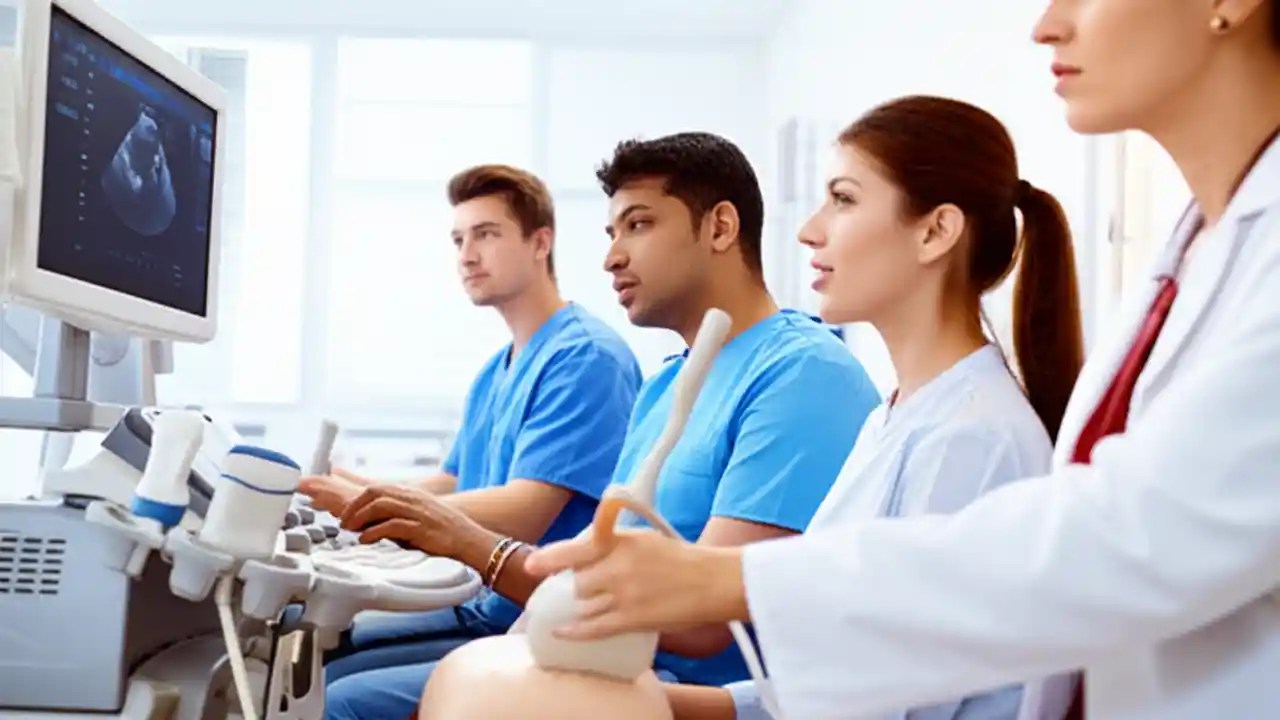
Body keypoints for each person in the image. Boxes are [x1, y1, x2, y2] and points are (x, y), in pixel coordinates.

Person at [527, 0, 1280, 718]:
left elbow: (1128, 538)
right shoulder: (1199, 250)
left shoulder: (966, 425)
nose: (1046, 26)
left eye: (845, 200)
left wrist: (727, 580)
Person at [421, 93, 1087, 720]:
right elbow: (841, 676)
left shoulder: (970, 439)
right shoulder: (895, 419)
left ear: (935, 231)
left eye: (844, 201)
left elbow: (890, 700)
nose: (807, 231)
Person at [333, 131, 881, 719]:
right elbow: (599, 557)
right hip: (603, 658)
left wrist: (474, 545)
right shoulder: (665, 387)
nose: (612, 257)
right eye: (611, 233)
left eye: (638, 225)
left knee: (344, 704)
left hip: (674, 691)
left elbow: (701, 624)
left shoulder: (803, 376)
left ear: (721, 228)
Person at [303, 164, 643, 710]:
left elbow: (525, 509)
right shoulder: (496, 369)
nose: (466, 255)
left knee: (332, 691)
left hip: (529, 614)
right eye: (459, 239)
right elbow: (455, 477)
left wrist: (381, 508)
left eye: (486, 234)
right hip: (479, 602)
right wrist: (362, 491)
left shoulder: (586, 359)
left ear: (540, 242)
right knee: (303, 647)